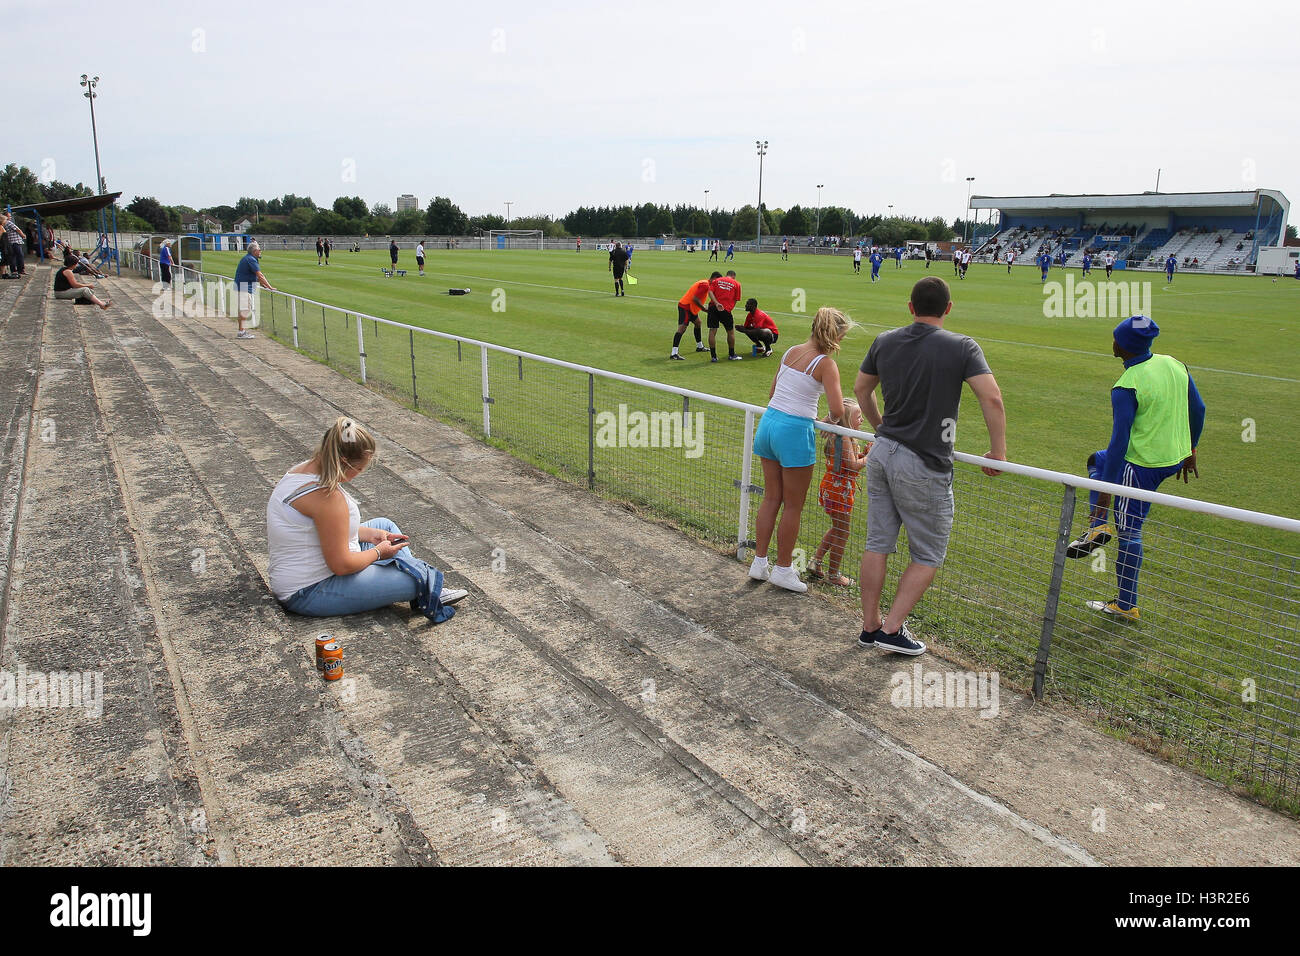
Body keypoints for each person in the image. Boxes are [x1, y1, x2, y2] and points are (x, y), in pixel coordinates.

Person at [854, 277, 1007, 655]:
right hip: (923, 462)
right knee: (927, 554)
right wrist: (998, 452)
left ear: (910, 307)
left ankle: (870, 626)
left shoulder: (885, 340)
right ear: (949, 308)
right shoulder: (963, 346)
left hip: (883, 453)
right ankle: (891, 630)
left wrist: (881, 429)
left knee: (877, 543)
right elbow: (992, 398)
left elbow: (861, 389)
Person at [1065, 316, 1204, 621]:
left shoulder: (1126, 385)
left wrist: (1105, 493)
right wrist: (1191, 450)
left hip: (1142, 465)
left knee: (1129, 529)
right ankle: (1098, 527)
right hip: (1174, 458)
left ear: (1123, 347)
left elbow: (1119, 444)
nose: (1112, 342)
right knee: (1096, 460)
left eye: (1115, 338)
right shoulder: (1174, 364)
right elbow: (1199, 409)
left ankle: (1127, 605)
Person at [267, 417, 468, 619]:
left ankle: (421, 590)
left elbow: (317, 528)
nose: (359, 473)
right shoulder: (327, 497)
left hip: (302, 573)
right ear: (344, 462)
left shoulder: (304, 471)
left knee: (383, 525)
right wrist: (379, 553)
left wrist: (370, 534)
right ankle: (423, 589)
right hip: (312, 590)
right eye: (360, 468)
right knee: (423, 578)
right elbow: (341, 565)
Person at [748, 307, 852, 592]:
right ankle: (782, 569)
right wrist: (825, 421)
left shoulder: (790, 351)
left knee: (771, 498)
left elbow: (772, 394)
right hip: (793, 431)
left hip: (769, 423)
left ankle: (759, 563)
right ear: (834, 335)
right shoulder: (826, 363)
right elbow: (837, 409)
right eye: (842, 336)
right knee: (793, 505)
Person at [809, 398, 867, 588]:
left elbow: (844, 462)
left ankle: (815, 561)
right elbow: (851, 466)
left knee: (837, 527)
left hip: (833, 487)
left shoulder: (839, 437)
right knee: (842, 532)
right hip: (839, 490)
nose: (862, 421)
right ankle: (833, 575)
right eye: (859, 417)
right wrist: (870, 457)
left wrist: (863, 454)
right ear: (847, 421)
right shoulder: (843, 438)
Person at [234, 240, 274, 339]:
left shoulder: (249, 258)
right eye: (259, 250)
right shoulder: (251, 259)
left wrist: (263, 284)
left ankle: (241, 331)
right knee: (245, 309)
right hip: (244, 287)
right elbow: (259, 275)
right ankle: (241, 332)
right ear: (254, 251)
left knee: (244, 309)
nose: (260, 251)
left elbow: (254, 276)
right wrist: (269, 286)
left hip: (242, 286)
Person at [670, 274, 714, 359]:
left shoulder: (705, 283)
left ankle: (700, 346)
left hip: (690, 307)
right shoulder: (705, 285)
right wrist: (704, 309)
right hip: (686, 306)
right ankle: (673, 353)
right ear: (713, 279)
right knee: (682, 328)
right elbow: (695, 299)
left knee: (698, 323)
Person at [706, 269, 742, 361]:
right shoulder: (736, 284)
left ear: (726, 275)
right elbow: (736, 299)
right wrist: (729, 308)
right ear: (733, 276)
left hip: (713, 307)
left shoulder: (717, 281)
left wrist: (716, 303)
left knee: (712, 331)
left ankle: (713, 357)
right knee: (730, 332)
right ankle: (731, 354)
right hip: (725, 309)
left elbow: (710, 292)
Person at [2, 213, 26, 277]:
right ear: (5, 217)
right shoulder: (9, 223)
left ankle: (13, 271)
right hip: (15, 241)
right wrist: (23, 236)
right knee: (20, 255)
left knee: (12, 257)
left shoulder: (3, 225)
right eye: (9, 216)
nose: (10, 217)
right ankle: (21, 270)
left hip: (9, 243)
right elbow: (18, 229)